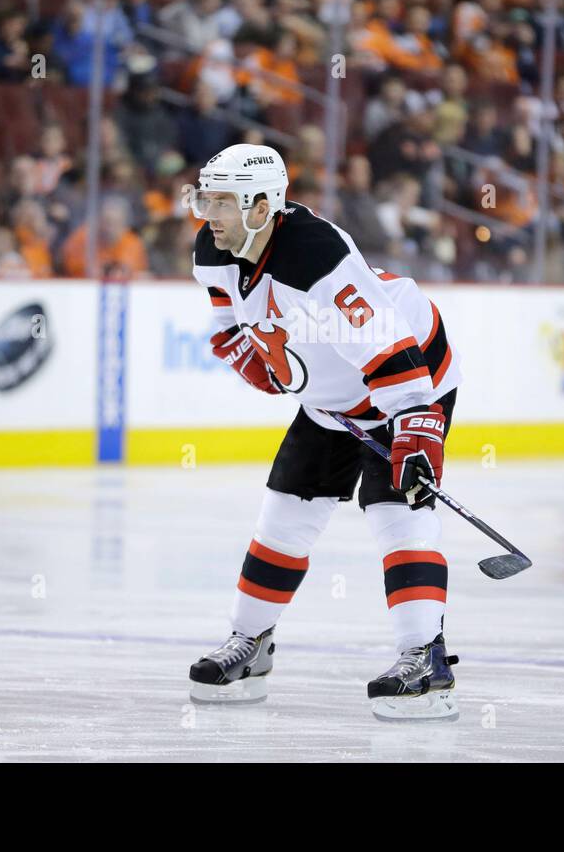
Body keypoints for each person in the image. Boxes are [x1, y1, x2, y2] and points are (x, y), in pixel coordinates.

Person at [187, 143, 463, 721]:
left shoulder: (316, 256)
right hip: (329, 399)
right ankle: (251, 643)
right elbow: (226, 319)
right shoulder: (215, 246)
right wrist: (253, 359)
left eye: (221, 202)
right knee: (284, 514)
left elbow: (388, 347)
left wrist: (415, 430)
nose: (208, 213)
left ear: (262, 207)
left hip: (407, 375)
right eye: (205, 198)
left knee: (396, 512)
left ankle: (425, 658)